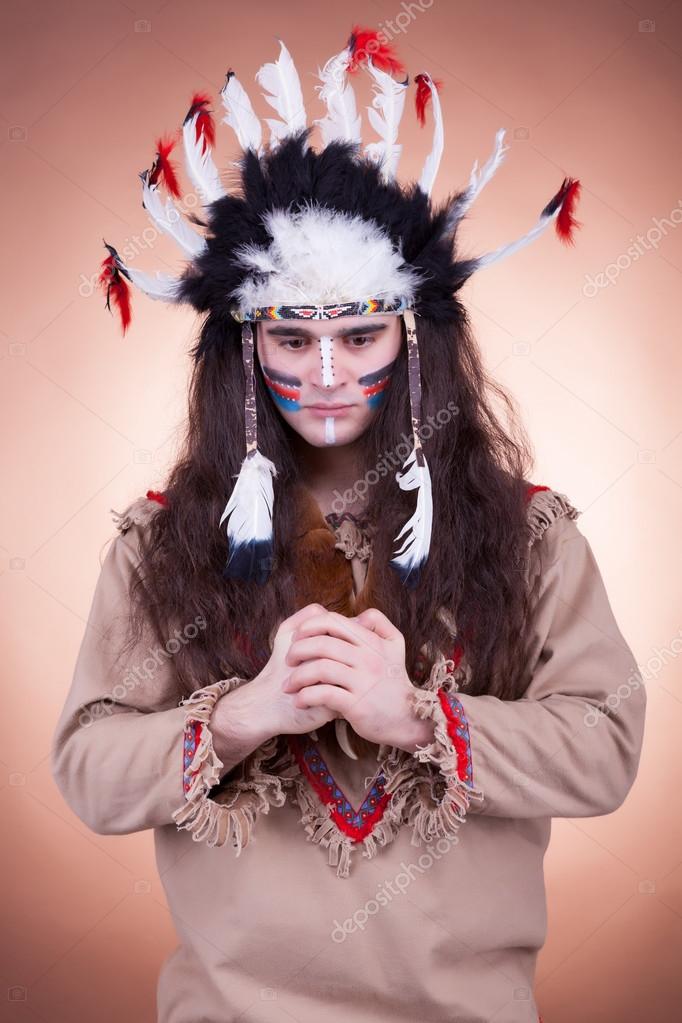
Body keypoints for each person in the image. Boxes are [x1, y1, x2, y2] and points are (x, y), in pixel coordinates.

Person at [51, 27, 646, 1023]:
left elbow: (605, 748)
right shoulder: (161, 546)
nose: (325, 372)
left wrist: (418, 716)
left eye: (359, 334)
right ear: (245, 351)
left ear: (416, 341)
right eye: (291, 336)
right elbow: (86, 772)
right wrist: (243, 716)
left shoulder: (530, 535)